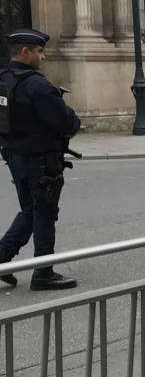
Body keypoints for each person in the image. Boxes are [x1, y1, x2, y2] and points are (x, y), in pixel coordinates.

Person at [0, 29, 80, 290]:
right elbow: (66, 122)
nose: (43, 57)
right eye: (39, 51)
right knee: (44, 213)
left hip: (15, 156)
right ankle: (43, 271)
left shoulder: (3, 80)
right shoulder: (37, 85)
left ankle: (2, 260)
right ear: (25, 52)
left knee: (30, 210)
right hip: (41, 160)